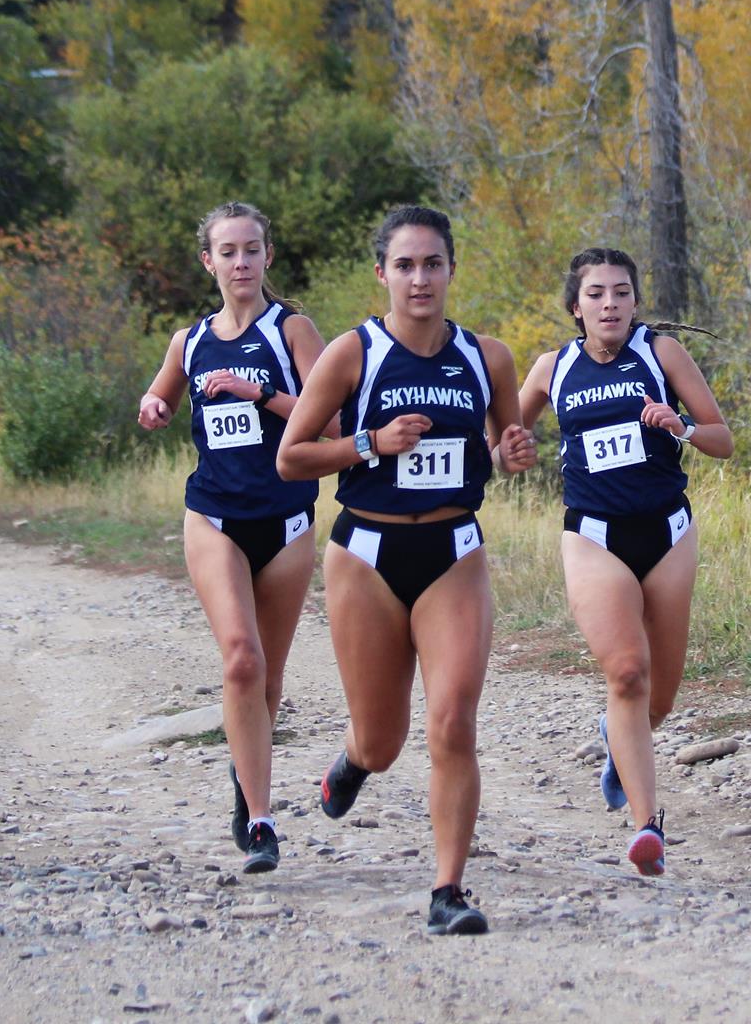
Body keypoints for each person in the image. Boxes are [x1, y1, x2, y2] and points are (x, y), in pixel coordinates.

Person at [277, 205, 537, 935]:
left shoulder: (489, 358)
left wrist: (513, 456)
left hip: (454, 552)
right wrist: (370, 442)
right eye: (405, 265)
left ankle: (447, 891)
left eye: (432, 264)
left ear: (452, 268)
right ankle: (355, 759)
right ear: (381, 273)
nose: (419, 279)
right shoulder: (351, 353)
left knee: (452, 723)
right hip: (366, 555)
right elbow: (291, 456)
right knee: (384, 741)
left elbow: (502, 449)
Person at [515, 248, 732, 875]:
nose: (609, 304)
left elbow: (722, 438)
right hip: (591, 535)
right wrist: (510, 443)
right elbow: (505, 438)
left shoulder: (660, 353)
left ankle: (620, 740)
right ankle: (647, 826)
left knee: (658, 700)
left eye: (621, 292)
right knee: (628, 674)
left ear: (635, 301)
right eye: (596, 294)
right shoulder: (553, 368)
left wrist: (682, 427)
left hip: (667, 534)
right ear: (575, 306)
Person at [135, 202, 330, 874]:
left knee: (267, 678)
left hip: (287, 522)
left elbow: (334, 429)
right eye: (228, 251)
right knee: (241, 660)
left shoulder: (292, 329)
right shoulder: (188, 342)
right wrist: (155, 405)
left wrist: (261, 394)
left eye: (252, 250)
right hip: (213, 516)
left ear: (268, 257)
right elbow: (157, 400)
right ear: (208, 261)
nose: (241, 262)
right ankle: (262, 817)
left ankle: (244, 778)